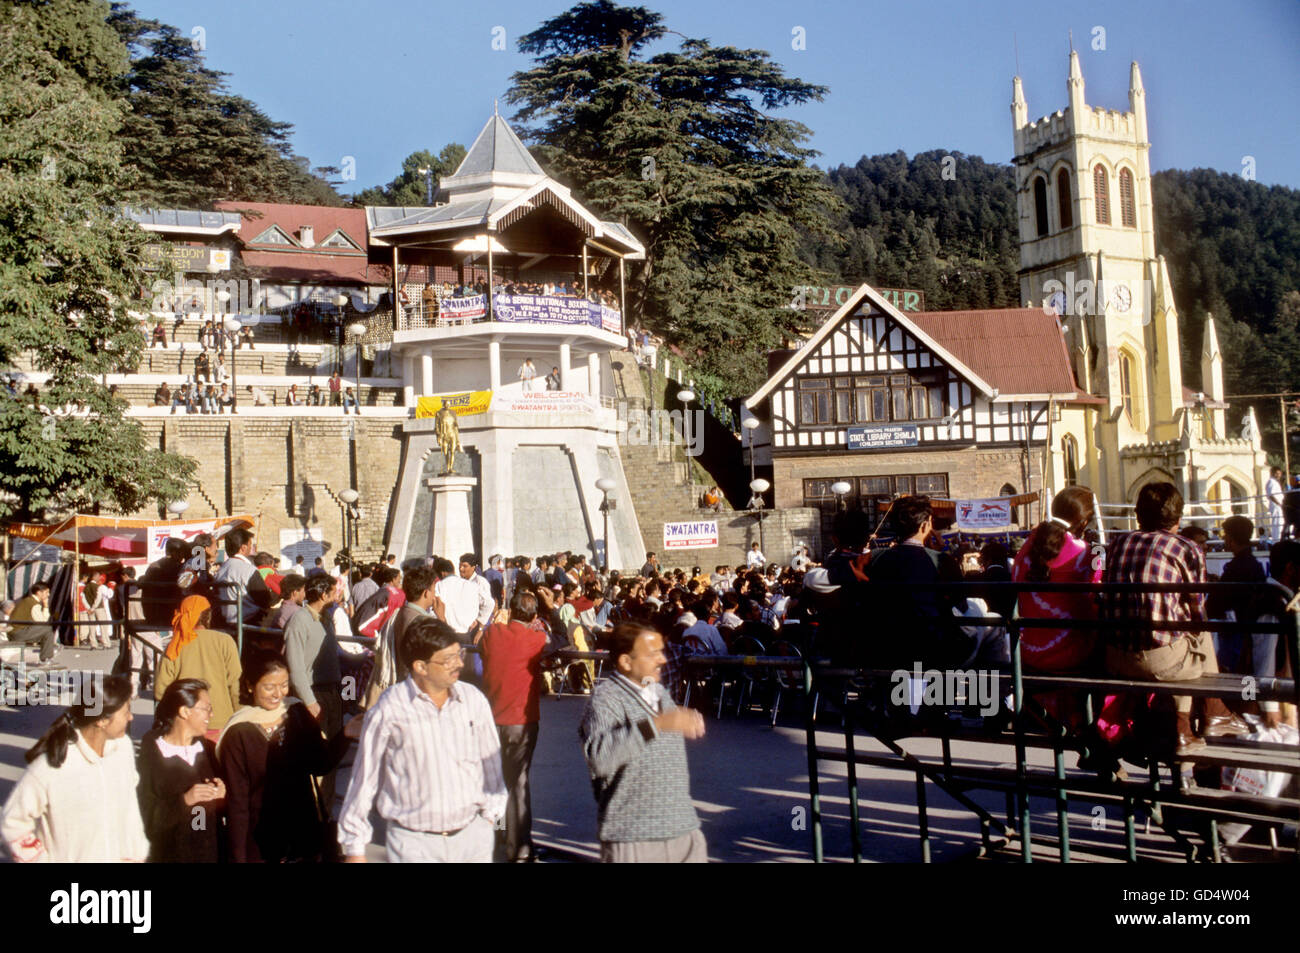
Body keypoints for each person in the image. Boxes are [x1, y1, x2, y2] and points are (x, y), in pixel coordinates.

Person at [339, 617, 507, 863]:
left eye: (458, 653)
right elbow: (364, 782)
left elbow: (494, 773)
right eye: (448, 659)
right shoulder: (390, 710)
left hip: (474, 842)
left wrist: (492, 826)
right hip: (413, 846)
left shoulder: (474, 701)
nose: (459, 663)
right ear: (420, 667)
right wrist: (354, 850)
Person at [1103, 482, 1250, 755]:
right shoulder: (1186, 547)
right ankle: (1209, 712)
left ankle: (1197, 723)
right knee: (1199, 631)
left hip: (1116, 657)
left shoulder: (1116, 544)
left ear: (1138, 514)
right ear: (1178, 517)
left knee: (1184, 636)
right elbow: (1198, 610)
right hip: (1160, 662)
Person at [579, 622, 707, 863]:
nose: (663, 660)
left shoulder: (659, 693)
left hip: (683, 830)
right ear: (626, 662)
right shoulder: (605, 699)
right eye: (652, 654)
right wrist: (656, 725)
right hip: (634, 837)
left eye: (661, 651)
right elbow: (600, 758)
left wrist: (680, 720)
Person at [218, 654, 353, 863]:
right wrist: (238, 856)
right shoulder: (238, 732)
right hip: (261, 838)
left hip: (303, 832)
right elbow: (238, 802)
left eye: (284, 685)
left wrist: (345, 735)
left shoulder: (296, 713)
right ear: (250, 685)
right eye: (269, 687)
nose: (278, 694)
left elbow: (321, 763)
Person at [2, 675, 148, 862]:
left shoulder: (123, 749)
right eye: (126, 711)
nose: (131, 717)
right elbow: (12, 825)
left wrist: (136, 855)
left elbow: (130, 807)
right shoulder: (51, 766)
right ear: (102, 720)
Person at [480, 591, 550, 862]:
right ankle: (519, 847)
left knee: (497, 783)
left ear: (510, 610)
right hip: (521, 721)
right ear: (533, 617)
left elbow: (482, 640)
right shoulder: (535, 638)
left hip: (492, 719)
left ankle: (500, 833)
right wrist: (551, 610)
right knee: (518, 783)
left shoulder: (492, 634)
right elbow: (561, 639)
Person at [1012, 486, 1102, 673]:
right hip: (1071, 655)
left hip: (1028, 652)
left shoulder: (1026, 548)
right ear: (1084, 522)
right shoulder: (1089, 553)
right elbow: (1097, 595)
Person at [138, 679, 227, 862]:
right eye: (206, 709)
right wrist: (185, 800)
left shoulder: (207, 750)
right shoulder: (152, 755)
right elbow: (145, 815)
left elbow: (201, 821)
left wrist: (222, 793)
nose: (211, 714)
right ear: (184, 711)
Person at [284, 574, 345, 810]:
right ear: (323, 595)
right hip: (313, 694)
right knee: (315, 755)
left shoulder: (326, 618)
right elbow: (296, 666)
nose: (338, 594)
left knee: (332, 754)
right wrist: (309, 701)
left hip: (331, 692)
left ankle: (327, 811)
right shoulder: (299, 620)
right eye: (334, 591)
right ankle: (315, 812)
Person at [154, 595, 242, 733]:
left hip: (185, 726)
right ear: (208, 617)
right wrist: (240, 718)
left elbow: (160, 692)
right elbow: (236, 685)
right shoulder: (225, 641)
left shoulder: (175, 646)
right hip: (221, 724)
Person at [212, 527, 275, 629]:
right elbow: (265, 600)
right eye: (250, 545)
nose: (251, 548)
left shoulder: (220, 570)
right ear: (243, 548)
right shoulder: (249, 570)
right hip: (248, 623)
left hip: (224, 621)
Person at [5, 582, 58, 662]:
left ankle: (47, 654)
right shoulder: (33, 604)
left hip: (13, 632)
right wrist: (46, 605)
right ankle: (46, 658)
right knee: (47, 629)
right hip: (18, 633)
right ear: (39, 592)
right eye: (47, 592)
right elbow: (42, 622)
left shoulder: (27, 600)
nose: (48, 595)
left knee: (48, 633)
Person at [1265, 467, 1285, 541]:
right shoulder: (1271, 482)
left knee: (1280, 522)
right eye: (1276, 473)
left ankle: (1279, 538)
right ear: (1272, 473)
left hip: (1279, 505)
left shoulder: (1275, 482)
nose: (1278, 475)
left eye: (1279, 473)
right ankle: (1277, 539)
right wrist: (1279, 504)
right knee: (1277, 522)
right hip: (1276, 505)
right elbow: (1271, 495)